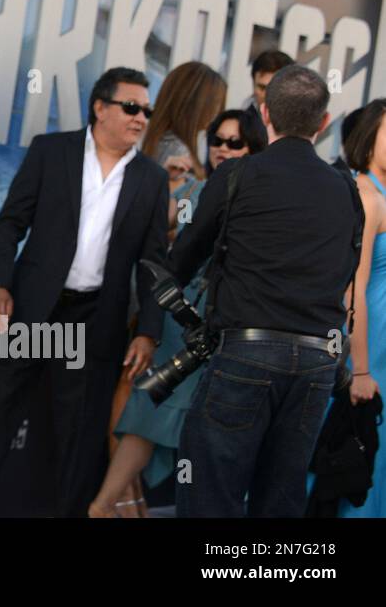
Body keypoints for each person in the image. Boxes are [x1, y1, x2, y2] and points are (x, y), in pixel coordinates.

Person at [0, 66, 169, 517]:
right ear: (100, 108)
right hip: (34, 311)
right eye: (131, 107)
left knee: (81, 440)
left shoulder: (151, 178)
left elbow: (153, 264)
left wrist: (148, 330)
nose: (140, 118)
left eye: (146, 110)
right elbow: (10, 223)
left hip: (94, 320)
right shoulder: (51, 151)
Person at [173, 66, 362, 517]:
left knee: (209, 495)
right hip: (317, 361)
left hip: (246, 354)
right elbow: (345, 269)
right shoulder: (345, 187)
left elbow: (183, 258)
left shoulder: (238, 174)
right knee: (280, 500)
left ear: (263, 113)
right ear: (324, 121)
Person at [89, 107, 266, 516]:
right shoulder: (192, 192)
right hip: (183, 319)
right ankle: (101, 505)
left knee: (210, 427)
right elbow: (149, 230)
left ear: (253, 146)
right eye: (217, 141)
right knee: (150, 411)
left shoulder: (259, 198)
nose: (223, 148)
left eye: (234, 142)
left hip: (230, 320)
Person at [338, 99, 386, 516]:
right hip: (372, 343)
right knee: (367, 446)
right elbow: (355, 286)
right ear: (369, 137)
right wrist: (361, 369)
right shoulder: (365, 193)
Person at [140, 61, 227, 239]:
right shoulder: (180, 153)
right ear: (196, 104)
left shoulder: (151, 137)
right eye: (216, 103)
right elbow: (182, 216)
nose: (218, 112)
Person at [241, 48, 294, 115]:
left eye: (274, 88)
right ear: (253, 84)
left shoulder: (304, 122)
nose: (266, 95)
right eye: (262, 88)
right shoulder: (239, 121)